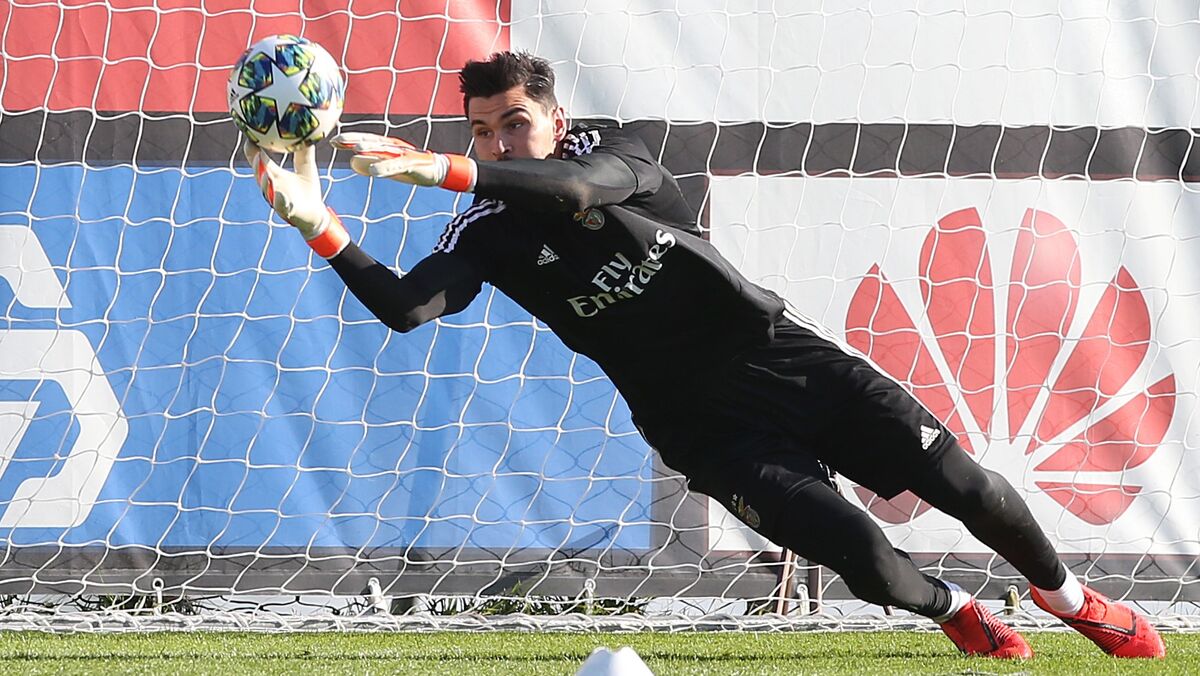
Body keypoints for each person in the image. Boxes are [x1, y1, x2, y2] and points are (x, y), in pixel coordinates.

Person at [242, 50, 1165, 659]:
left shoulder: (615, 152)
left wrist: (437, 165)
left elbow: (575, 190)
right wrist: (319, 225)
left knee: (966, 484)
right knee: (865, 558)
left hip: (786, 357)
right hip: (702, 427)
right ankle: (957, 613)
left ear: (557, 118)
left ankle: (1067, 595)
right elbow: (407, 308)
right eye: (479, 130)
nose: (495, 141)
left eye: (513, 121)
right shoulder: (485, 229)